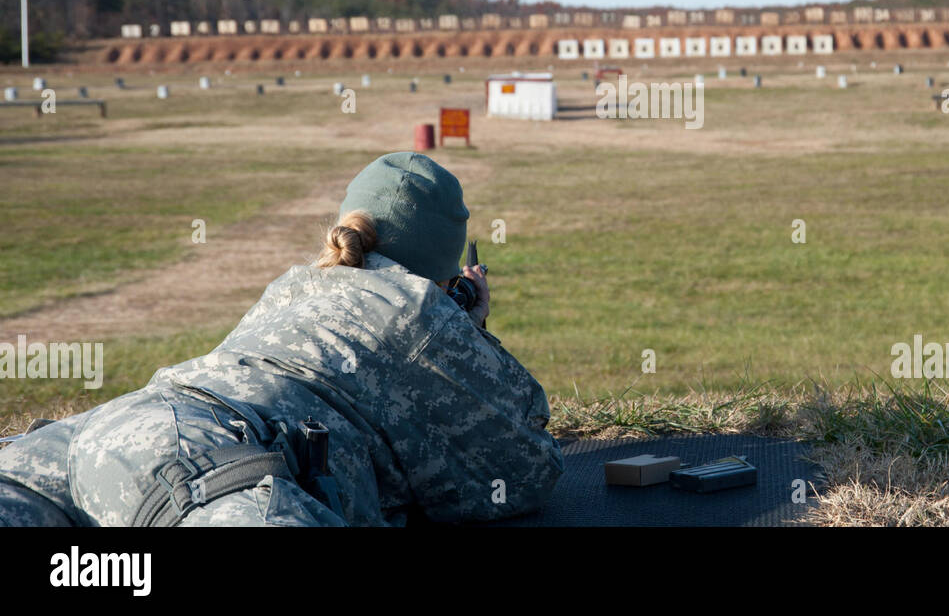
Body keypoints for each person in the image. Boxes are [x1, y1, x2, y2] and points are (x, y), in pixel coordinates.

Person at [0, 152, 563, 526]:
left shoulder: (295, 285)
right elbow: (521, 471)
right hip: (213, 465)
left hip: (96, 435)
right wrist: (469, 330)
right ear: (441, 261)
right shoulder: (419, 313)